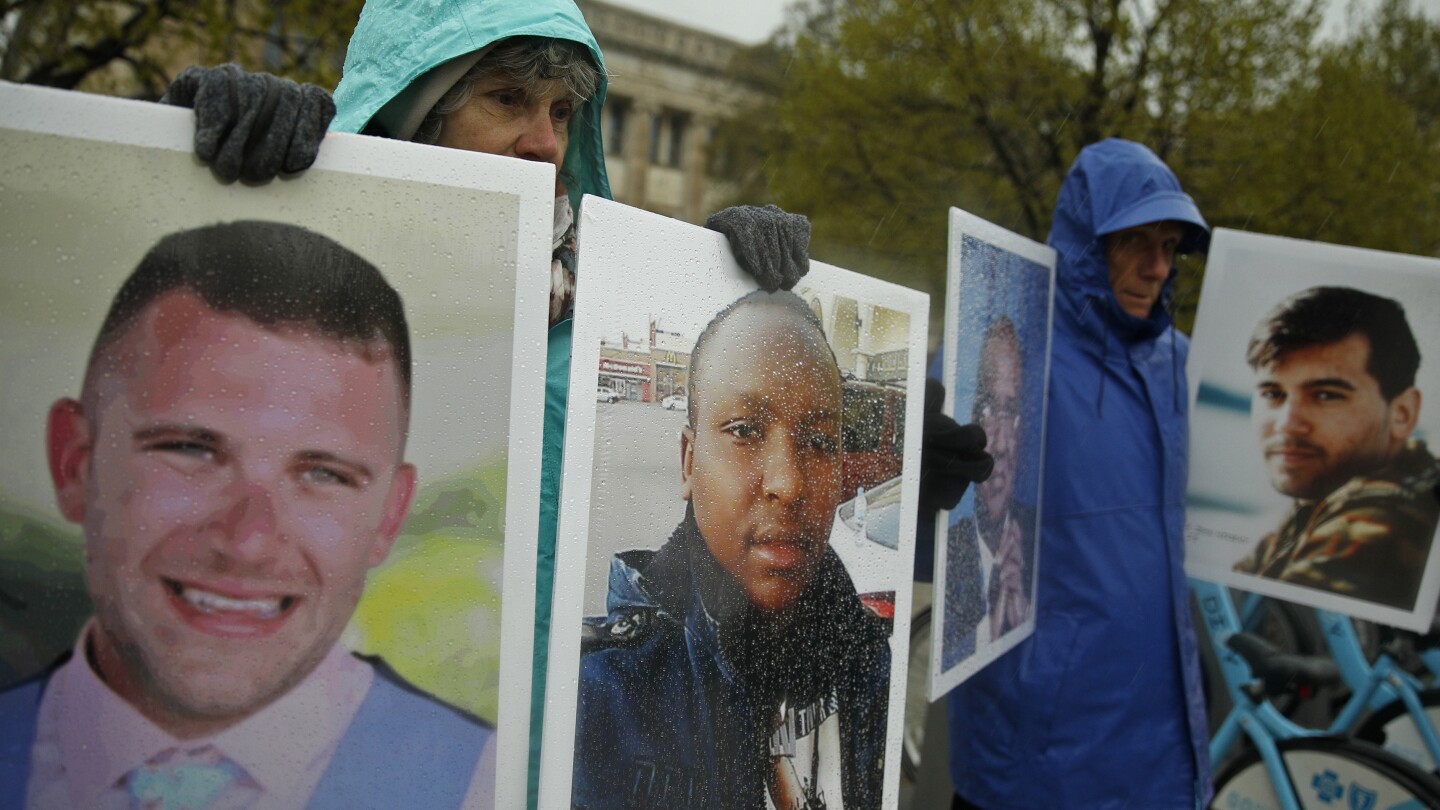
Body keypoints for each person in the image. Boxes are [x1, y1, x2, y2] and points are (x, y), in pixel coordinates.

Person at [158, 4, 993, 802]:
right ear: (413, 108)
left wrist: (908, 464)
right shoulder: (310, 292)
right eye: (507, 99)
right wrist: (189, 180)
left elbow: (754, 553)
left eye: (562, 110)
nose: (544, 142)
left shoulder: (599, 307)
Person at [0, 221, 494, 810]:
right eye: (191, 449)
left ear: (389, 517)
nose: (249, 541)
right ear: (74, 464)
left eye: (323, 474)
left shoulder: (493, 785)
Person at [947, 139, 1213, 809]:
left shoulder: (1181, 365)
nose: (1157, 267)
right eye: (1136, 243)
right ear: (1088, 244)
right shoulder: (1007, 354)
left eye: (1170, 245)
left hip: (1159, 760)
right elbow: (917, 513)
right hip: (1039, 766)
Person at [573, 291, 889, 810]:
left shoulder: (869, 663)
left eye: (819, 441)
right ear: (688, 462)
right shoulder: (606, 695)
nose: (788, 484)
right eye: (745, 431)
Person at [1232, 286, 1440, 610]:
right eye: (1273, 394)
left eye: (1326, 395)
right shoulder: (1322, 499)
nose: (1287, 423)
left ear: (1402, 413)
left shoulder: (1387, 518)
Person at [943, 316, 1035, 668]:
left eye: (1009, 412)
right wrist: (987, 633)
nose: (997, 441)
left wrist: (1021, 610)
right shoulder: (951, 551)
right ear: (970, 418)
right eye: (987, 410)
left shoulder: (1035, 540)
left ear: (1023, 429)